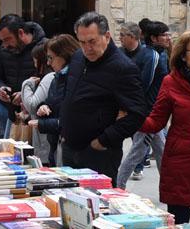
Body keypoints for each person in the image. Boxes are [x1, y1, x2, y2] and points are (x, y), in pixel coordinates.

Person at [139, 28, 190, 226]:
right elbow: (156, 122)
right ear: (183, 56)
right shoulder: (171, 82)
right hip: (180, 162)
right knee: (177, 228)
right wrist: (131, 118)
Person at [60, 13, 149, 180]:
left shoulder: (123, 68)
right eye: (82, 42)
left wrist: (104, 140)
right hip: (70, 147)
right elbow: (68, 94)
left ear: (107, 36)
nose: (87, 48)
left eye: (92, 41)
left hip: (98, 153)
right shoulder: (78, 57)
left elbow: (137, 114)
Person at [116, 22, 168, 188]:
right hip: (147, 112)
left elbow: (144, 84)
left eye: (122, 35)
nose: (168, 38)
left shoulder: (151, 55)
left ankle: (167, 186)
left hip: (151, 111)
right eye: (165, 35)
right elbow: (141, 85)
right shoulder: (147, 55)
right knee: (137, 152)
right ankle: (118, 186)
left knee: (161, 151)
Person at [0, 16, 45, 137]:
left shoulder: (44, 47)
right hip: (14, 116)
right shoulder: (4, 50)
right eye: (2, 40)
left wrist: (25, 93)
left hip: (38, 119)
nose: (5, 45)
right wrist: (0, 88)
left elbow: (50, 81)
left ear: (20, 33)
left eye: (7, 39)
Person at [30, 35, 78, 166]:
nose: (48, 63)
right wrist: (43, 107)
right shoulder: (57, 77)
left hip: (70, 146)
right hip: (55, 143)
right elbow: (51, 103)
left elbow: (72, 119)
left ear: (64, 55)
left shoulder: (76, 79)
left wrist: (42, 124)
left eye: (51, 58)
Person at [21, 39, 54, 161]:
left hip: (45, 138)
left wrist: (27, 84)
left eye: (35, 61)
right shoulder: (50, 77)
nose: (35, 65)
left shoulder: (49, 77)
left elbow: (32, 105)